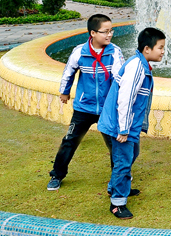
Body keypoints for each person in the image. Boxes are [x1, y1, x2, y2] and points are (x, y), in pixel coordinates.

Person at [47, 14, 124, 191]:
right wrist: (64, 92)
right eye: (105, 31)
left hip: (107, 108)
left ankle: (119, 176)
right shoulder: (79, 52)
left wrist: (118, 103)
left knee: (115, 144)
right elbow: (68, 72)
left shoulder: (114, 52)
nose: (109, 35)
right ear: (93, 33)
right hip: (84, 107)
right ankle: (57, 175)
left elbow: (120, 78)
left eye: (111, 31)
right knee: (70, 140)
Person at [98, 27, 166, 219]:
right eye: (160, 47)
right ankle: (117, 203)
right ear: (147, 49)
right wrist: (123, 129)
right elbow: (125, 99)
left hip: (127, 125)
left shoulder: (142, 64)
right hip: (120, 125)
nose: (163, 51)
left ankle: (114, 187)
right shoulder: (136, 67)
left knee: (132, 154)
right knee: (123, 162)